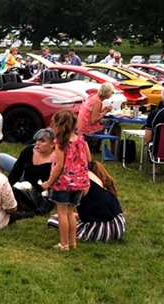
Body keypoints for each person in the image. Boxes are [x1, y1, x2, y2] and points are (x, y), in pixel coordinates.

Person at [41, 110, 91, 251]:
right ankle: (73, 242)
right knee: (70, 213)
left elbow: (59, 166)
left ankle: (64, 244)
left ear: (57, 125)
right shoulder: (81, 140)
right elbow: (89, 159)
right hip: (79, 183)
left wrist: (48, 183)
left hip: (63, 184)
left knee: (62, 213)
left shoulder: (61, 143)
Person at [47, 161, 125, 242]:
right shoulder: (94, 177)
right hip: (119, 224)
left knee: (53, 220)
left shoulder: (77, 178)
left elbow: (65, 208)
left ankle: (67, 242)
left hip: (101, 229)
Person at [77, 83, 118, 150]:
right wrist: (105, 112)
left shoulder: (92, 97)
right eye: (112, 92)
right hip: (87, 129)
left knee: (111, 126)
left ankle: (106, 149)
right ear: (108, 93)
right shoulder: (98, 102)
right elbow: (93, 121)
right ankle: (115, 151)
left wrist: (103, 110)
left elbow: (91, 113)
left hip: (81, 126)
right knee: (116, 128)